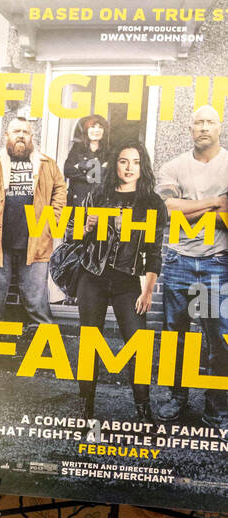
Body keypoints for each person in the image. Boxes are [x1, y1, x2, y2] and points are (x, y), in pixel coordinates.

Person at [73, 140, 165, 422]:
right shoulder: (98, 194)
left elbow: (154, 253)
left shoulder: (152, 202)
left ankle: (143, 409)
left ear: (143, 166)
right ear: (115, 164)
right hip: (93, 278)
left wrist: (147, 291)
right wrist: (84, 226)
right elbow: (74, 234)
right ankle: (86, 408)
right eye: (124, 161)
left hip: (127, 282)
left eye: (136, 162)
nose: (129, 167)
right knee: (90, 343)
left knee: (138, 344)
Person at [155, 105, 228, 424]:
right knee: (175, 335)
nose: (204, 127)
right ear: (189, 128)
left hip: (215, 263)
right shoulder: (173, 166)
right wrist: (214, 203)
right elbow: (168, 209)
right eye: (198, 121)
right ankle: (177, 398)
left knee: (218, 336)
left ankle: (217, 404)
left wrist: (188, 209)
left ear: (219, 128)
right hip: (178, 261)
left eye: (210, 122)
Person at [0, 112, 66, 328]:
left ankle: (46, 342)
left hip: (35, 239)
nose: (21, 136)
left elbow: (60, 190)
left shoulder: (47, 164)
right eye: (16, 131)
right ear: (6, 135)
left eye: (25, 132)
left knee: (37, 299)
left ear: (32, 137)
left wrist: (52, 220)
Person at [63, 113, 109, 208]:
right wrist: (96, 171)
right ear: (86, 129)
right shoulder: (77, 149)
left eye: (100, 127)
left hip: (97, 203)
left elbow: (105, 177)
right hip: (76, 202)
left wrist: (80, 166)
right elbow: (68, 170)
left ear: (104, 131)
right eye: (92, 127)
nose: (96, 130)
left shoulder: (108, 152)